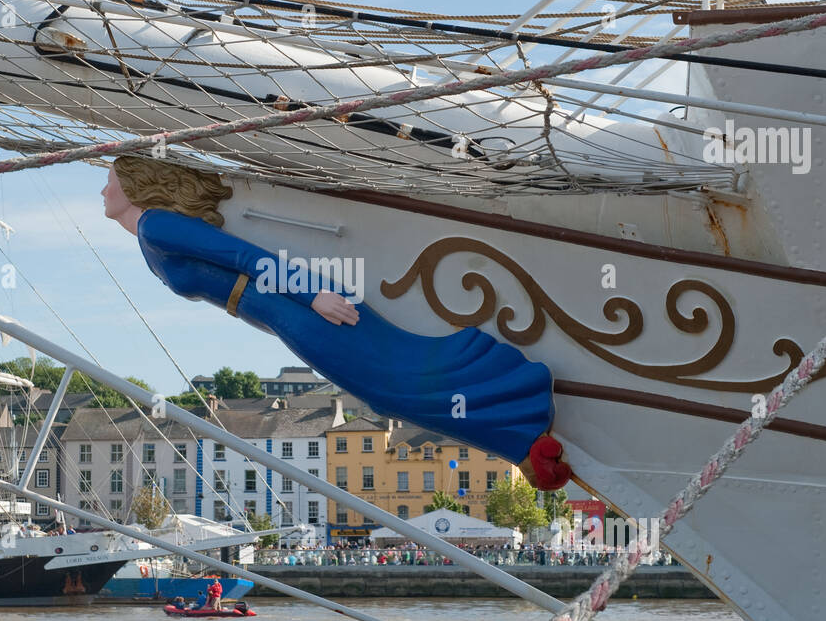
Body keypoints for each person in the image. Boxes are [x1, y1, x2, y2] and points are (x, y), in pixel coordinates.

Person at [101, 156, 571, 490]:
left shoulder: (156, 226)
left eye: (110, 180)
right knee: (388, 384)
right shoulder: (151, 232)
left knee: (389, 385)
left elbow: (245, 255)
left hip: (298, 309)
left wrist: (315, 296)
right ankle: (520, 433)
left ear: (135, 184)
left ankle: (519, 419)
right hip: (280, 314)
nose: (104, 191)